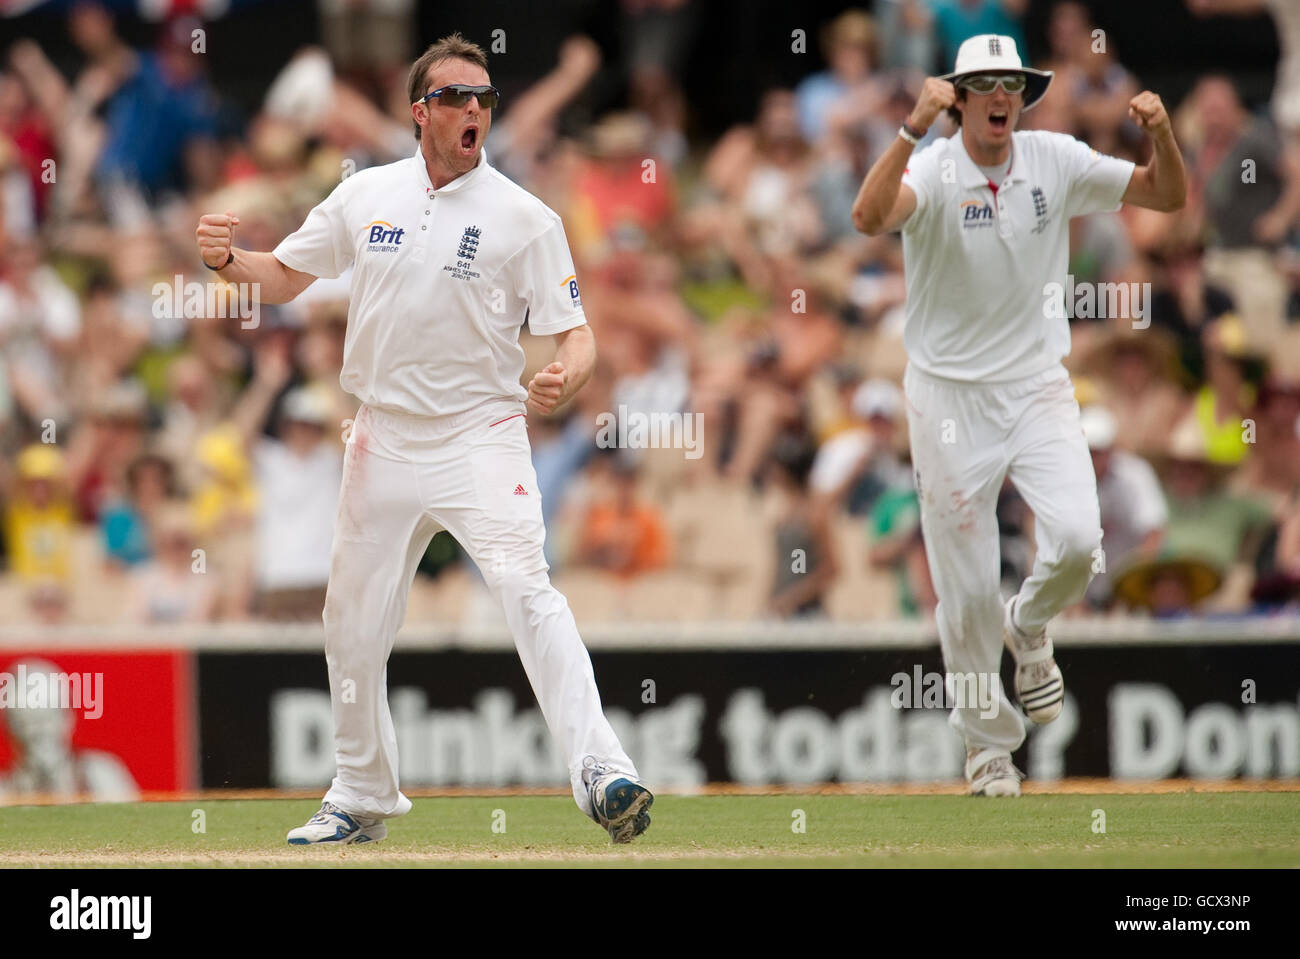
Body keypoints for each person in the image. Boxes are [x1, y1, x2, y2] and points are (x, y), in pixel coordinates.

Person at [194, 33, 650, 845]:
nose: (474, 109)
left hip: (483, 433)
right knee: (352, 619)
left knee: (525, 588)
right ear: (419, 112)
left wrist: (566, 376)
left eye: (484, 98)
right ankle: (361, 791)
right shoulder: (364, 193)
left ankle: (601, 768)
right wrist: (229, 261)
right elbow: (290, 276)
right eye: (455, 97)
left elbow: (575, 336)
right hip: (381, 436)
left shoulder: (526, 217)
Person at [851, 34, 1186, 795]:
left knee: (1075, 540)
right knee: (964, 593)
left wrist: (1162, 132)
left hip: (1036, 384)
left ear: (1021, 97)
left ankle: (1030, 624)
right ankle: (988, 748)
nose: (1000, 95)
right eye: (983, 84)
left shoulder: (1055, 158)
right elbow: (869, 216)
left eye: (1011, 83)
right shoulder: (932, 169)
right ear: (959, 97)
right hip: (946, 398)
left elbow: (1166, 198)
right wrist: (908, 130)